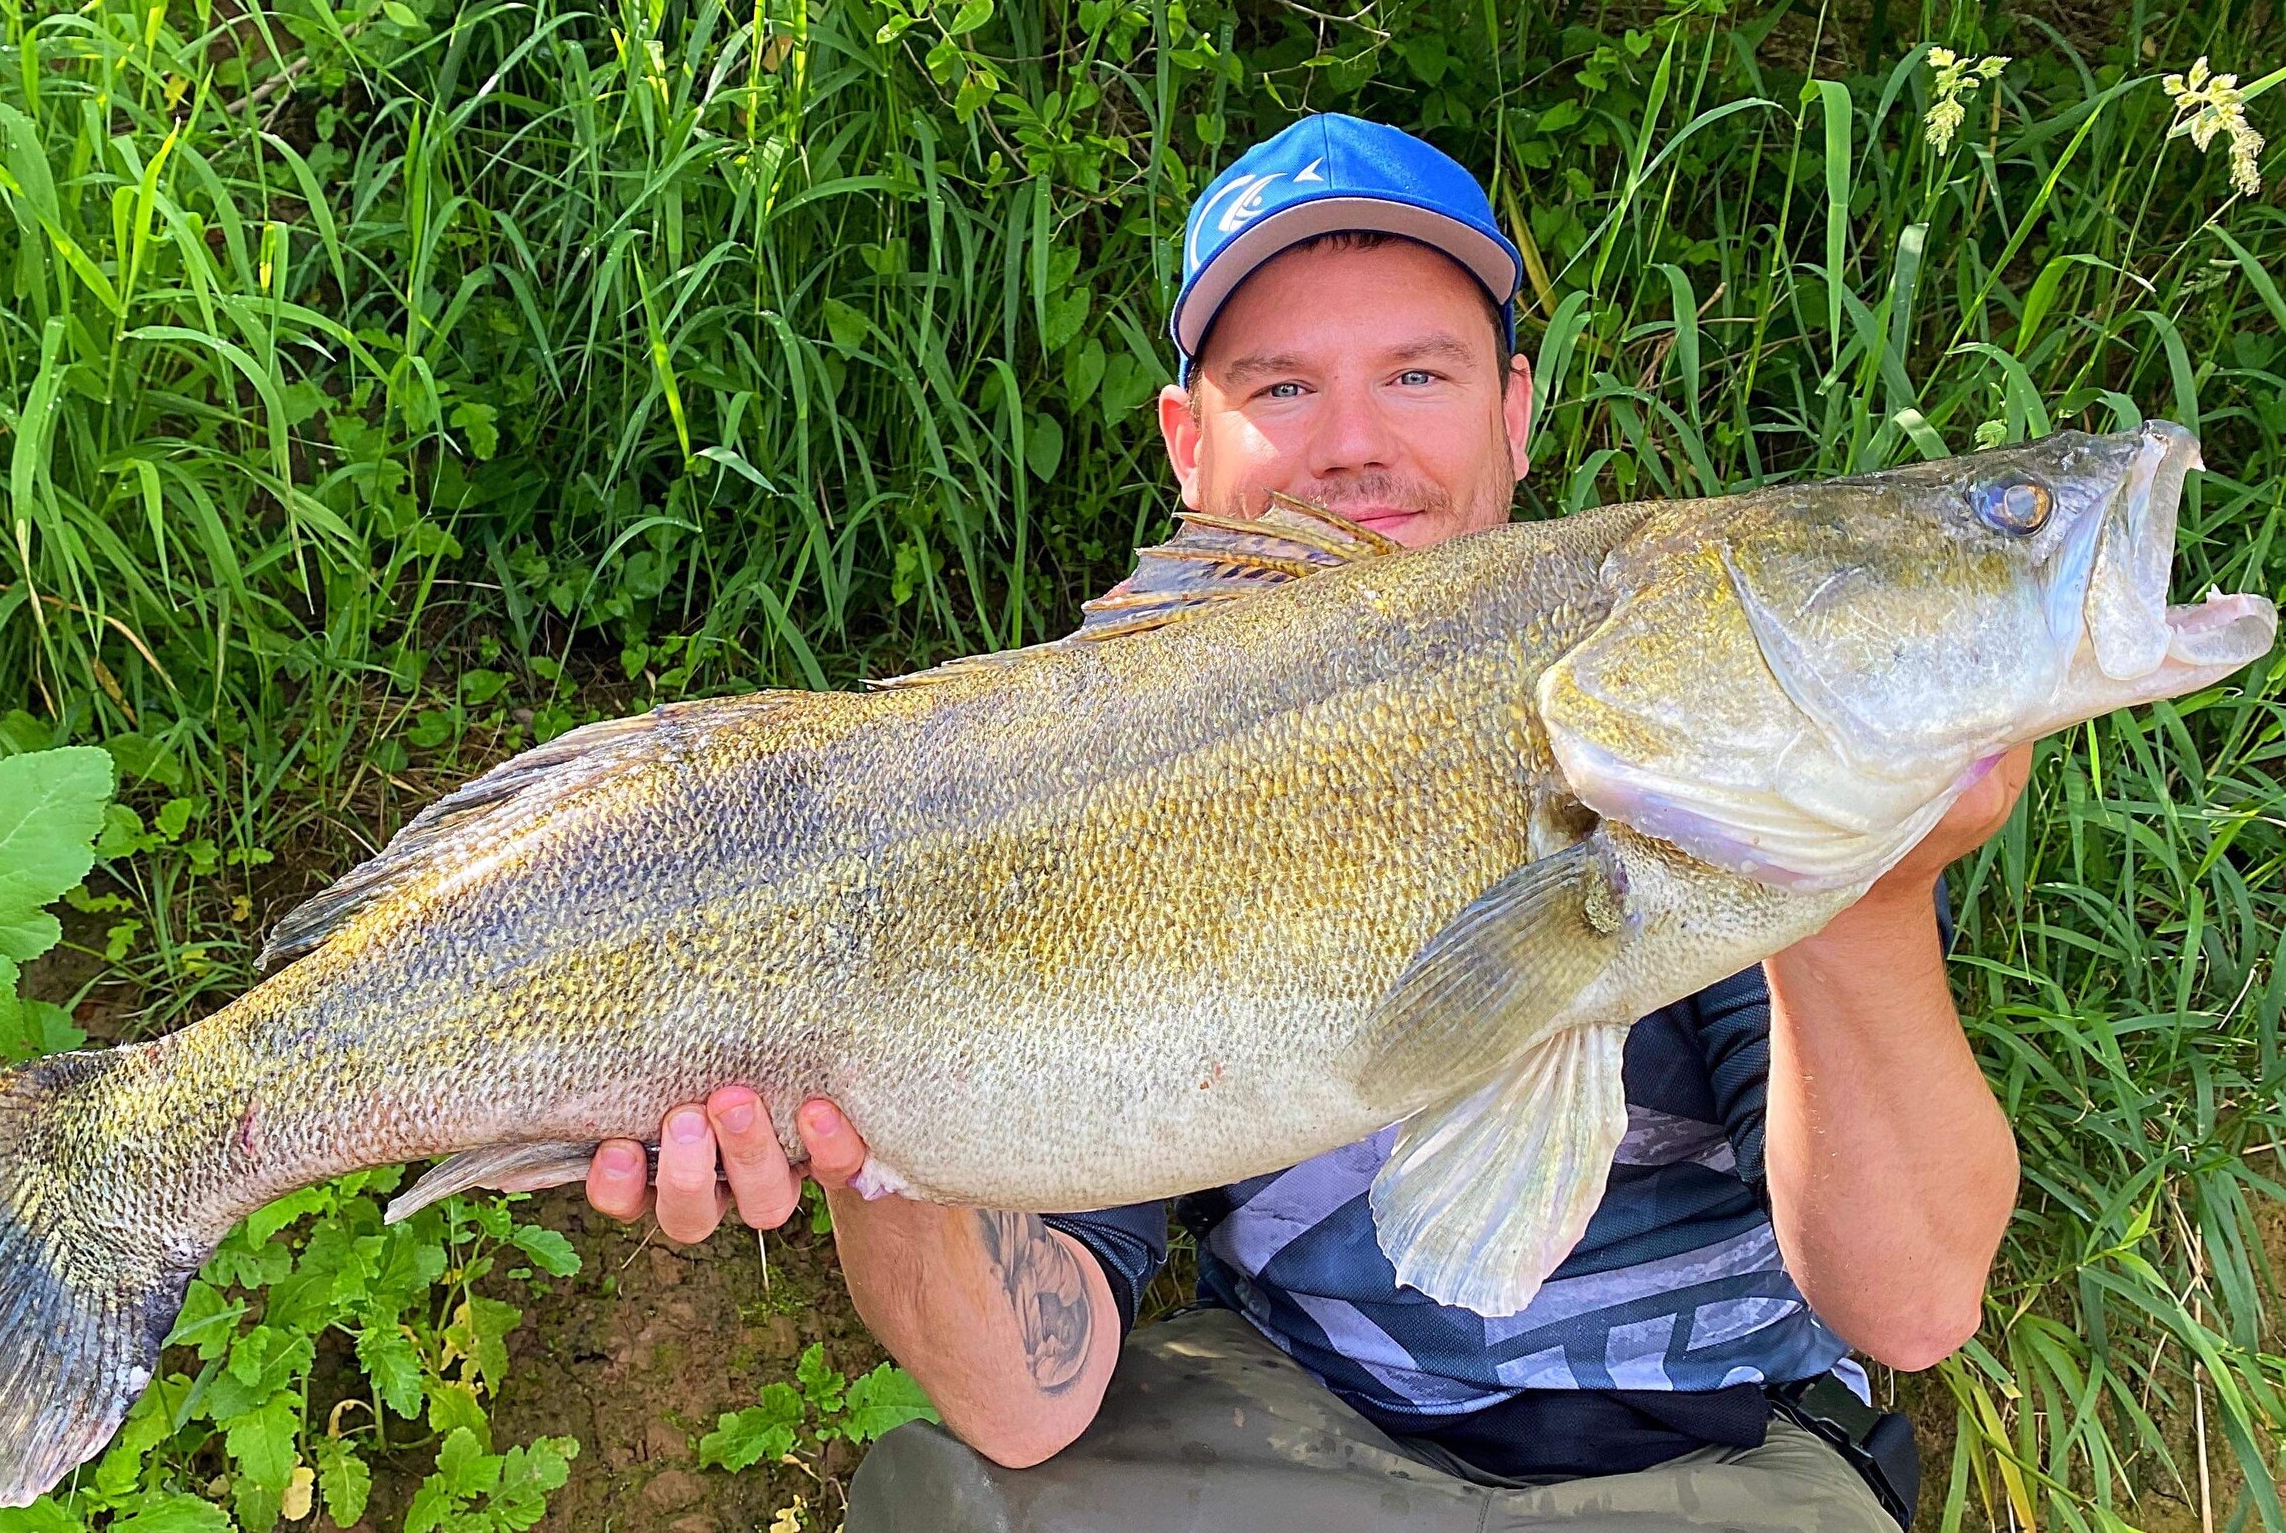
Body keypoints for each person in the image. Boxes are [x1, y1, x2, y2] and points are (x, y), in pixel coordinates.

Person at [572, 114, 2026, 1529]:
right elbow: (1029, 1403)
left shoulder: (1693, 705)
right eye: (1279, 389)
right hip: (1294, 1425)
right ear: (1183, 442)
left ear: (1514, 409)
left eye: (1416, 372)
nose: (1352, 446)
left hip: (1728, 1450)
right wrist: (869, 1146)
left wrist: (1876, 895)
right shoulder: (1087, 770)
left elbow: (1911, 1302)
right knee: (948, 1500)